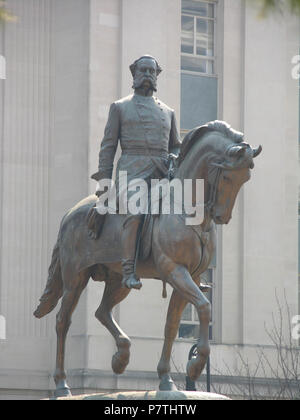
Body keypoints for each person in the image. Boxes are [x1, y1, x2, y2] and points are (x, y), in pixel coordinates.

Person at [91, 55, 181, 290]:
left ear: (157, 75)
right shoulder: (120, 107)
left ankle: (189, 265)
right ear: (134, 74)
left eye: (152, 71)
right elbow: (108, 146)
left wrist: (175, 159)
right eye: (143, 70)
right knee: (137, 210)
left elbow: (176, 146)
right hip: (132, 171)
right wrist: (104, 182)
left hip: (162, 172)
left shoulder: (168, 112)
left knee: (190, 209)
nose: (148, 75)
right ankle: (129, 269)